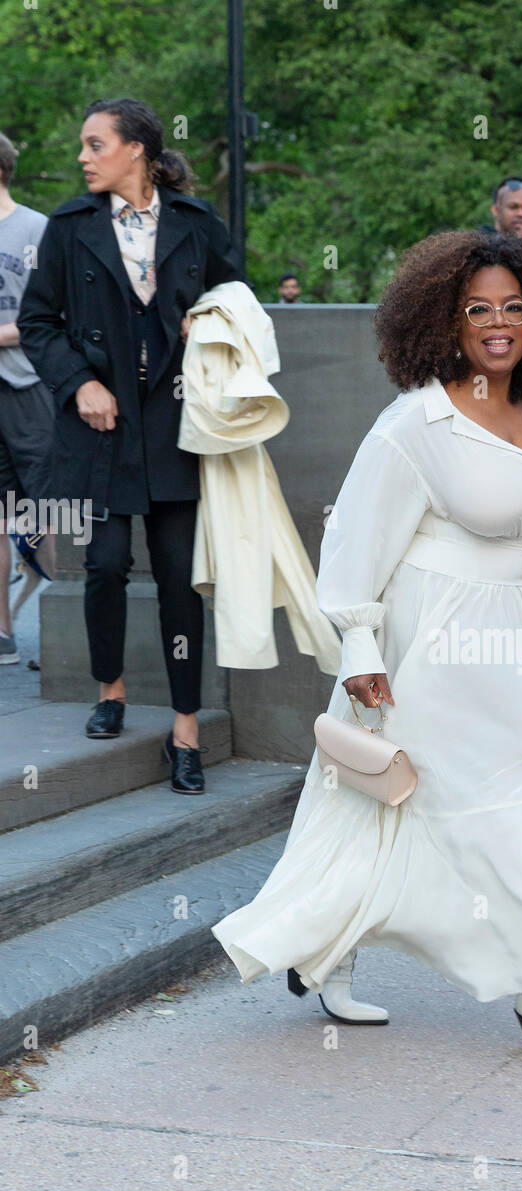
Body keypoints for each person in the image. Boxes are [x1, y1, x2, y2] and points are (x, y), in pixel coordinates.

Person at [212, 230, 522, 1064]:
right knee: (499, 814)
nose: (499, 323)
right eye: (478, 309)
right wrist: (359, 650)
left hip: (504, 636)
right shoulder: (412, 424)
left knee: (389, 810)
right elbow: (353, 542)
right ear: (444, 321)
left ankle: (323, 952)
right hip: (427, 642)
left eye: (514, 308)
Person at [18, 97, 246, 788]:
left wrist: (206, 324)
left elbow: (239, 301)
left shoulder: (197, 224)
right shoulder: (69, 225)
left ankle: (185, 731)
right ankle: (110, 689)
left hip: (176, 424)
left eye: (95, 144)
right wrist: (79, 383)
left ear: (136, 151)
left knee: (180, 574)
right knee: (108, 563)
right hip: (100, 427)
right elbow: (38, 321)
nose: (83, 157)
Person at [0, 130, 57, 665]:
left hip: (30, 385)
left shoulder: (37, 229)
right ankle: (4, 631)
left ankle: (59, 633)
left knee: (50, 509)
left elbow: (50, 316)